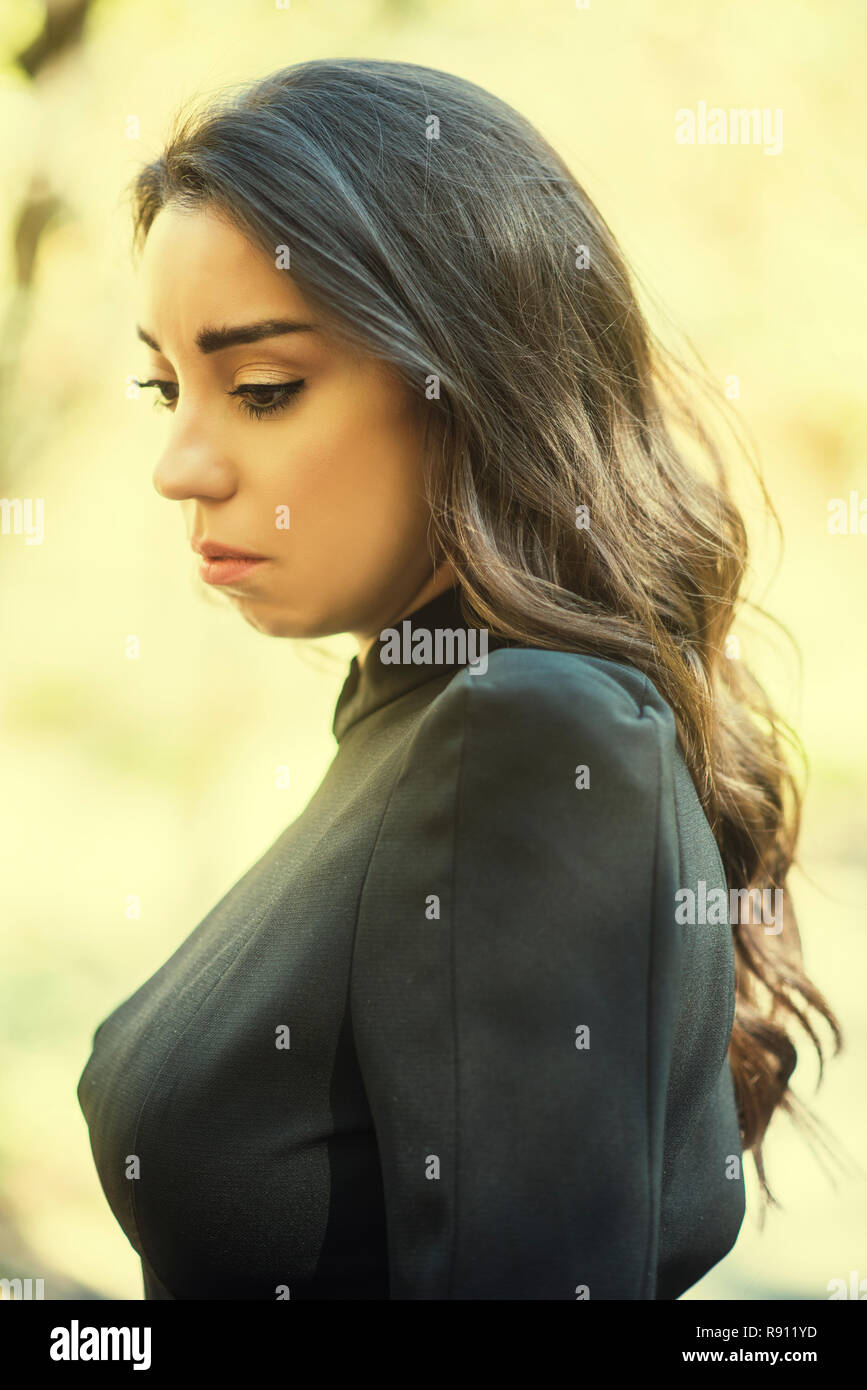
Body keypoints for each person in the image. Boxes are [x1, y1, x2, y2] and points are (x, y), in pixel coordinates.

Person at [77, 58, 842, 1300]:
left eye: (263, 389)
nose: (179, 464)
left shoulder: (534, 738)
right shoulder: (414, 716)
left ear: (469, 388)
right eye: (167, 388)